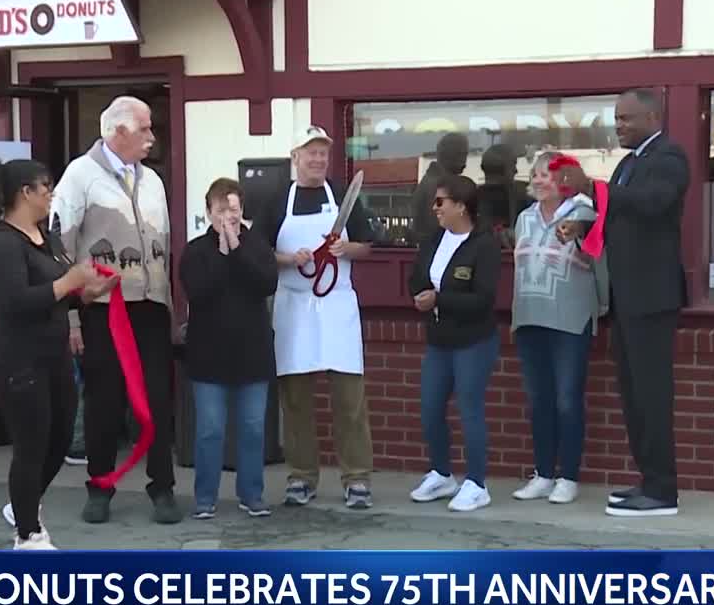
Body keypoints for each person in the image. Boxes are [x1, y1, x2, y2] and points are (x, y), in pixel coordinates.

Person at [559, 88, 689, 517]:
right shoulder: (630, 163)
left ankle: (662, 491)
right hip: (626, 297)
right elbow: (616, 216)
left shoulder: (669, 158)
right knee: (634, 396)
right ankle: (648, 482)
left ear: (653, 117)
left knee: (651, 396)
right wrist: (581, 224)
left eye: (627, 118)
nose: (619, 126)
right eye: (616, 118)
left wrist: (592, 188)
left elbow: (653, 204)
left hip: (652, 298)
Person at [0, 158, 118, 550]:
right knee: (31, 445)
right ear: (25, 192)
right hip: (18, 359)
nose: (50, 195)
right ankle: (28, 533)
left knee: (59, 442)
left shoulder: (47, 238)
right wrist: (67, 284)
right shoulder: (2, 244)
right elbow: (13, 303)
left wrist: (88, 292)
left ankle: (21, 505)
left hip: (55, 355)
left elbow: (65, 293)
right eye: (45, 188)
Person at [54, 95, 180, 524]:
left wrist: (172, 308)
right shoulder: (80, 176)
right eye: (145, 129)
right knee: (104, 400)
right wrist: (72, 315)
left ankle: (162, 486)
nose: (152, 137)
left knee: (159, 400)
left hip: (151, 306)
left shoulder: (154, 181)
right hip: (102, 307)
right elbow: (60, 248)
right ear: (119, 131)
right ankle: (100, 485)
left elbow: (164, 248)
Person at [257, 125, 378, 509]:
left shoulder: (342, 195)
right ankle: (301, 476)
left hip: (338, 305)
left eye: (323, 153)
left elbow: (368, 247)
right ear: (295, 157)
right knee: (295, 399)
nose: (318, 159)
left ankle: (357, 477)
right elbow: (258, 252)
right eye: (311, 153)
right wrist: (289, 259)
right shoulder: (277, 200)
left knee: (349, 397)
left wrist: (347, 247)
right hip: (293, 306)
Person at [509, 151, 605, 506]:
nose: (537, 181)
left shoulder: (581, 215)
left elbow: (597, 258)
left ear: (563, 180)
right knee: (538, 402)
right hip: (530, 319)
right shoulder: (523, 219)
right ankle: (543, 473)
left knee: (567, 401)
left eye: (545, 175)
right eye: (533, 175)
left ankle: (569, 476)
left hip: (570, 319)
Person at [179, 178, 278, 519]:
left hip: (253, 353)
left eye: (233, 210)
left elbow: (266, 283)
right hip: (209, 356)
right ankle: (205, 497)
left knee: (252, 428)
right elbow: (199, 292)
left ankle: (252, 494)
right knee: (210, 430)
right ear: (208, 212)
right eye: (221, 210)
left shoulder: (257, 245)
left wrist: (237, 250)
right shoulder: (195, 251)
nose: (228, 217)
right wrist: (222, 255)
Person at [407, 174, 501, 511]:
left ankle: (477, 483)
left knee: (469, 408)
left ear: (461, 207)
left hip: (473, 341)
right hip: (439, 341)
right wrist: (418, 294)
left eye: (440, 202)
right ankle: (442, 474)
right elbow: (418, 276)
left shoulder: (484, 245)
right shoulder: (434, 239)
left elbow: (483, 298)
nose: (435, 209)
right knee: (430, 407)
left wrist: (440, 300)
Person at [410, 132, 470, 243]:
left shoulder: (429, 181)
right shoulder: (440, 187)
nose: (465, 161)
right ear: (452, 155)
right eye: (463, 154)